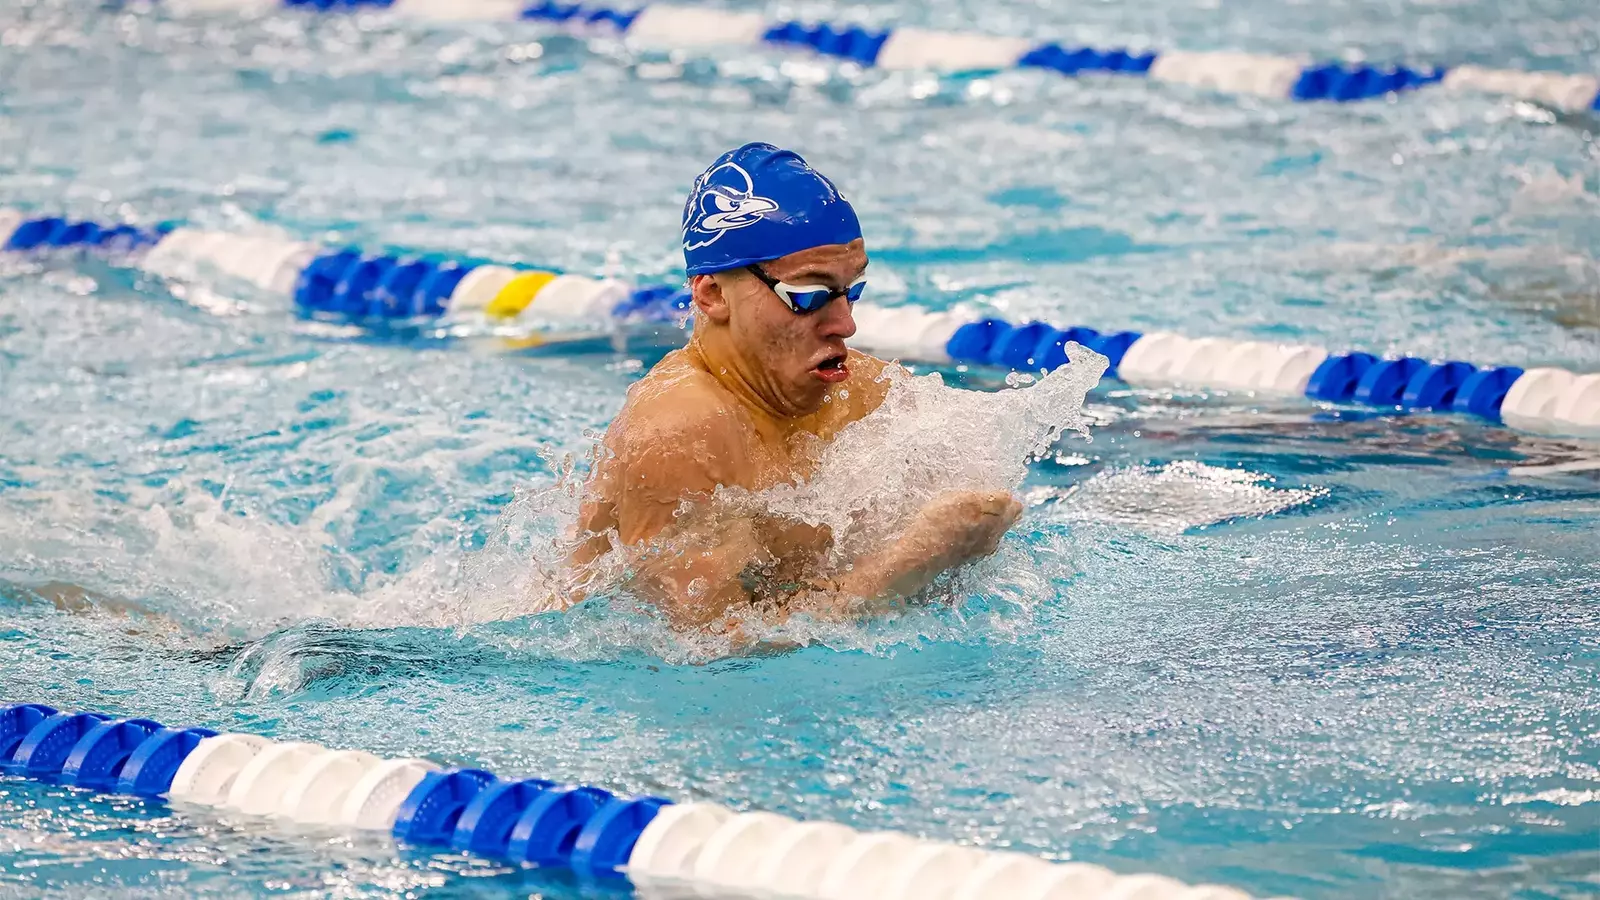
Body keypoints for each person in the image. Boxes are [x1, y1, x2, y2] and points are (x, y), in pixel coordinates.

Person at [570, 143, 1022, 630]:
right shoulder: (680, 432)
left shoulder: (862, 391)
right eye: (809, 295)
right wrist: (912, 561)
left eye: (852, 290)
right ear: (713, 294)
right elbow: (707, 649)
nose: (845, 324)